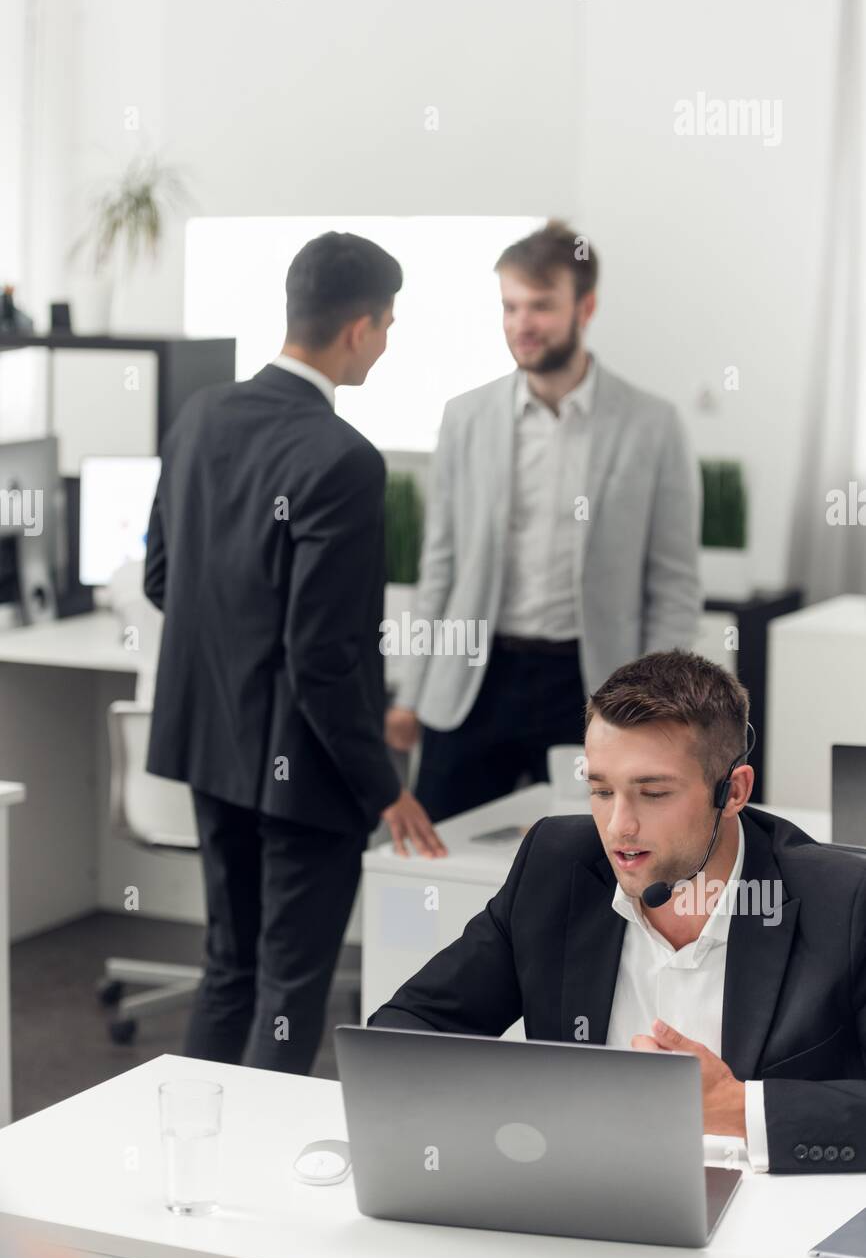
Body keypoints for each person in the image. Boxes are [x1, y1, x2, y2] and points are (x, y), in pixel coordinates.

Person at [371, 649, 866, 1174]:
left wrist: (736, 1108)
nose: (618, 826)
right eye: (602, 791)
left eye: (653, 793)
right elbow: (403, 1031)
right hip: (575, 1200)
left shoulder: (844, 901)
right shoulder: (556, 865)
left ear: (734, 791)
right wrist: (538, 1104)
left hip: (764, 1225)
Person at [144, 231, 445, 1076]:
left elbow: (166, 579)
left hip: (213, 750)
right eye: (388, 326)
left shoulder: (198, 415)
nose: (386, 345)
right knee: (289, 989)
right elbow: (323, 657)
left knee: (229, 969)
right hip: (302, 769)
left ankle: (191, 1179)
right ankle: (253, 1190)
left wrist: (244, 663)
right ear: (359, 326)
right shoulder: (344, 460)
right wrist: (384, 788)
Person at [387, 221, 701, 822]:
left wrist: (660, 703)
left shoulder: (651, 425)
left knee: (591, 864)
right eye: (509, 306)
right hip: (473, 682)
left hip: (591, 685)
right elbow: (440, 568)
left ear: (585, 306)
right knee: (442, 853)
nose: (521, 324)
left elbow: (674, 582)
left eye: (540, 306)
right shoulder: (466, 417)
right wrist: (410, 691)